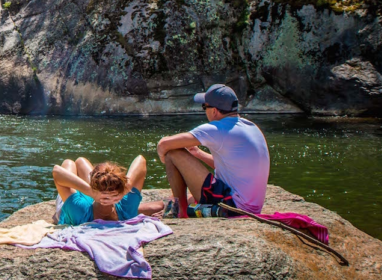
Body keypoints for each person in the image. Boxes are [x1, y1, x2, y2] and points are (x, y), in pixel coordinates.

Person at [156, 84, 270, 218]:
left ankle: (180, 212)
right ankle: (176, 206)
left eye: (204, 107)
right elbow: (232, 168)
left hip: (232, 206)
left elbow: (163, 145)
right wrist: (198, 154)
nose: (204, 111)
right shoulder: (251, 127)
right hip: (250, 207)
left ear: (214, 111)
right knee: (188, 199)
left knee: (173, 153)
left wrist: (169, 163)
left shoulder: (217, 128)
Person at [52, 155, 146, 225]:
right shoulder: (126, 206)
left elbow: (57, 171)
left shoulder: (79, 210)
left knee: (69, 162)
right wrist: (126, 188)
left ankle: (93, 183)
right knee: (80, 161)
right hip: (89, 196)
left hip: (73, 206)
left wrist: (92, 193)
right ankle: (94, 183)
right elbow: (141, 160)